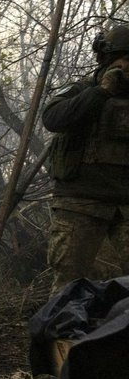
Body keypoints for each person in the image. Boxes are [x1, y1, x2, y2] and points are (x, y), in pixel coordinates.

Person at [41, 22, 129, 295]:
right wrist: (102, 91)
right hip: (80, 201)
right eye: (126, 60)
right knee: (67, 287)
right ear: (108, 59)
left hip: (126, 202)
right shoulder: (85, 90)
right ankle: (61, 338)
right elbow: (53, 118)